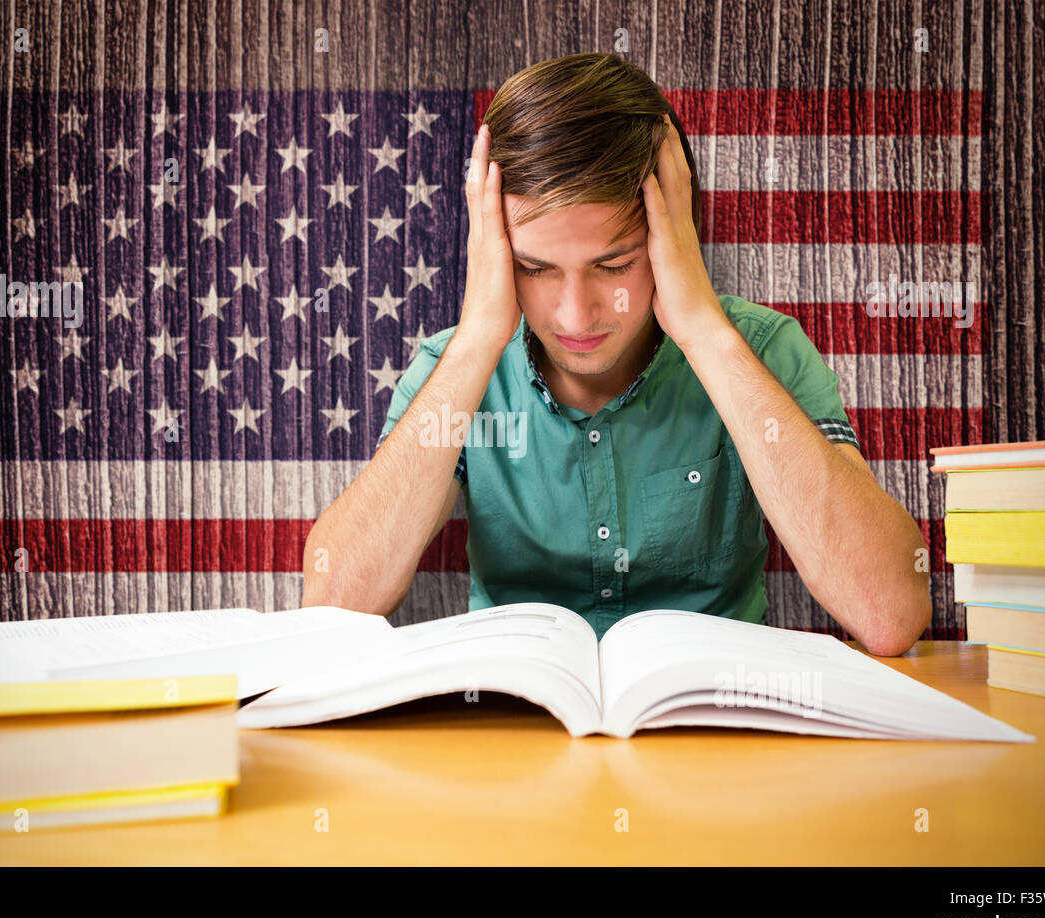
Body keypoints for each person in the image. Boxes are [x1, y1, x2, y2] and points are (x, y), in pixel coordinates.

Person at [302, 53, 930, 655]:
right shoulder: (453, 367)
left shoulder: (762, 350)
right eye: (535, 267)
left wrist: (705, 330)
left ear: (674, 239)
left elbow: (889, 612)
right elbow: (333, 602)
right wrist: (476, 342)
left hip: (719, 734)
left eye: (614, 264)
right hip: (511, 734)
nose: (575, 316)